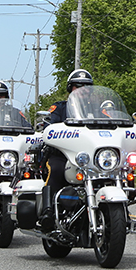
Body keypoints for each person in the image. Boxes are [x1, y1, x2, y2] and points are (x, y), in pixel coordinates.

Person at [39, 70, 93, 229]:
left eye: (86, 87)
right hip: (62, 155)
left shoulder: (96, 110)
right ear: (71, 88)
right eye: (78, 86)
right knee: (56, 169)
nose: (82, 90)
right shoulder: (59, 108)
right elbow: (49, 127)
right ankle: (47, 212)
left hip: (89, 157)